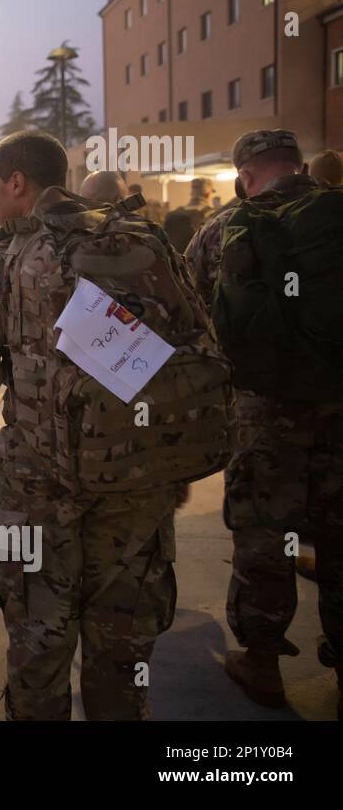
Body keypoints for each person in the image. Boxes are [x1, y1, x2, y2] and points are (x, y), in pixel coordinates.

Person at [0, 130, 189, 720]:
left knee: (39, 650)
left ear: (18, 183)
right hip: (137, 488)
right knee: (123, 658)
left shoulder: (1, 263)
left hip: (41, 494)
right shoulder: (142, 240)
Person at [185, 129, 343, 714]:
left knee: (263, 536)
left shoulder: (226, 228)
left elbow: (188, 307)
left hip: (263, 414)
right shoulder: (335, 217)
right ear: (300, 167)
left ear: (243, 175)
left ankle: (262, 662)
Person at [163, 177, 213, 253]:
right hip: (192, 260)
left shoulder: (174, 213)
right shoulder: (209, 214)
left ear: (191, 193)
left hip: (173, 260)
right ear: (208, 194)